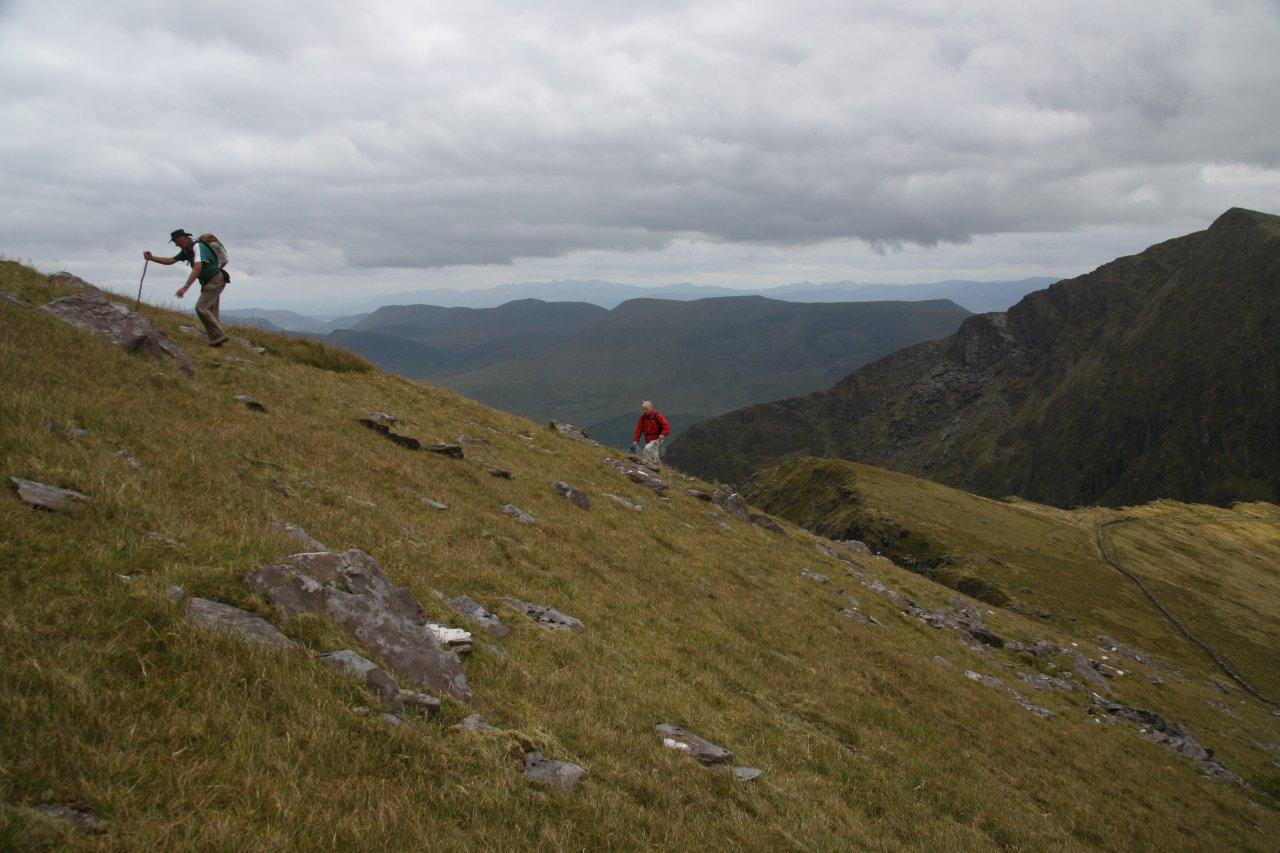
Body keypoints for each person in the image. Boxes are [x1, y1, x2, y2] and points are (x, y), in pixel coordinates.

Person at [144, 229, 229, 347]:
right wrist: (152, 258)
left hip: (215, 279)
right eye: (175, 242)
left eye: (177, 241)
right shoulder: (187, 250)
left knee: (201, 308)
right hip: (209, 281)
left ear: (185, 237)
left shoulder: (197, 247)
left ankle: (219, 336)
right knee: (210, 311)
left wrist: (185, 287)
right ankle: (218, 343)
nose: (176, 244)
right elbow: (170, 261)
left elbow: (198, 267)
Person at [630, 400, 670, 465]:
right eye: (644, 409)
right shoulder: (642, 418)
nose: (645, 411)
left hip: (657, 438)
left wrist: (663, 434)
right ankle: (658, 466)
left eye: (647, 409)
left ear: (651, 408)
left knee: (647, 448)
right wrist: (635, 440)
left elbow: (666, 426)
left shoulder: (657, 416)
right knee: (654, 454)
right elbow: (638, 429)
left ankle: (646, 464)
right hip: (648, 439)